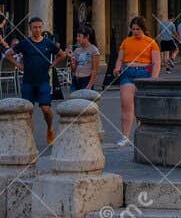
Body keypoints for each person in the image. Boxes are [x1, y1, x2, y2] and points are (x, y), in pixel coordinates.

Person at [4, 17, 67, 144]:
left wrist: (53, 64)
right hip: (28, 81)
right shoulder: (25, 43)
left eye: (39, 27)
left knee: (45, 109)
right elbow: (8, 54)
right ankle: (29, 138)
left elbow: (62, 55)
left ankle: (49, 128)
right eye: (35, 27)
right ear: (30, 28)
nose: (37, 30)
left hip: (43, 80)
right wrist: (18, 65)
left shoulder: (48, 43)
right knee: (28, 111)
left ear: (42, 28)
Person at [112, 16, 161, 148]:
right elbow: (120, 59)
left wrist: (153, 78)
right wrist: (117, 67)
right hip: (128, 73)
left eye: (138, 29)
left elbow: (156, 62)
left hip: (144, 72)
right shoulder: (126, 42)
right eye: (133, 29)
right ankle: (125, 136)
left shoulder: (151, 42)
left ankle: (141, 134)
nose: (135, 31)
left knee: (141, 107)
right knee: (126, 106)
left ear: (143, 29)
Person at [69, 28, 102, 93]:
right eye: (77, 36)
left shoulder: (94, 50)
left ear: (87, 37)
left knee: (84, 102)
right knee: (73, 101)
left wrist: (90, 85)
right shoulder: (77, 50)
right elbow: (73, 69)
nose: (77, 38)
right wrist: (71, 60)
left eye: (79, 36)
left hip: (86, 79)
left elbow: (95, 69)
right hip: (76, 79)